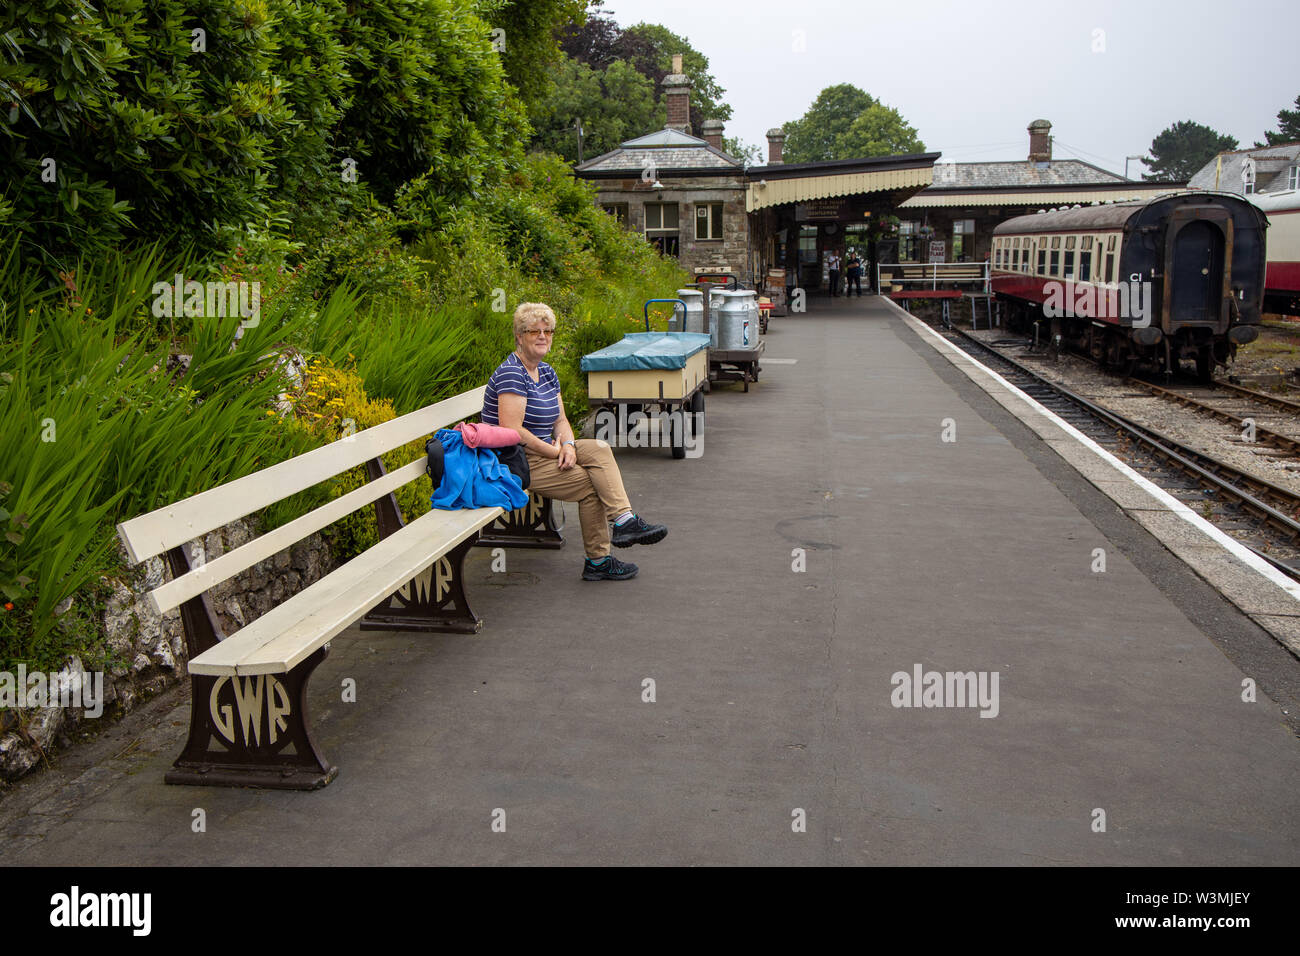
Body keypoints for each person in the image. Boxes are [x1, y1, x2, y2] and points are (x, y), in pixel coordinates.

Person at [483, 303, 667, 581]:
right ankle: (598, 561)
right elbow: (513, 431)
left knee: (600, 448)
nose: (543, 336)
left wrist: (567, 445)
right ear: (519, 336)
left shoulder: (545, 372)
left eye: (548, 331)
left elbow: (561, 421)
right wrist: (552, 450)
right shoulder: (512, 373)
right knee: (590, 485)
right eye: (535, 331)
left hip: (547, 450)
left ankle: (624, 520)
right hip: (515, 461)